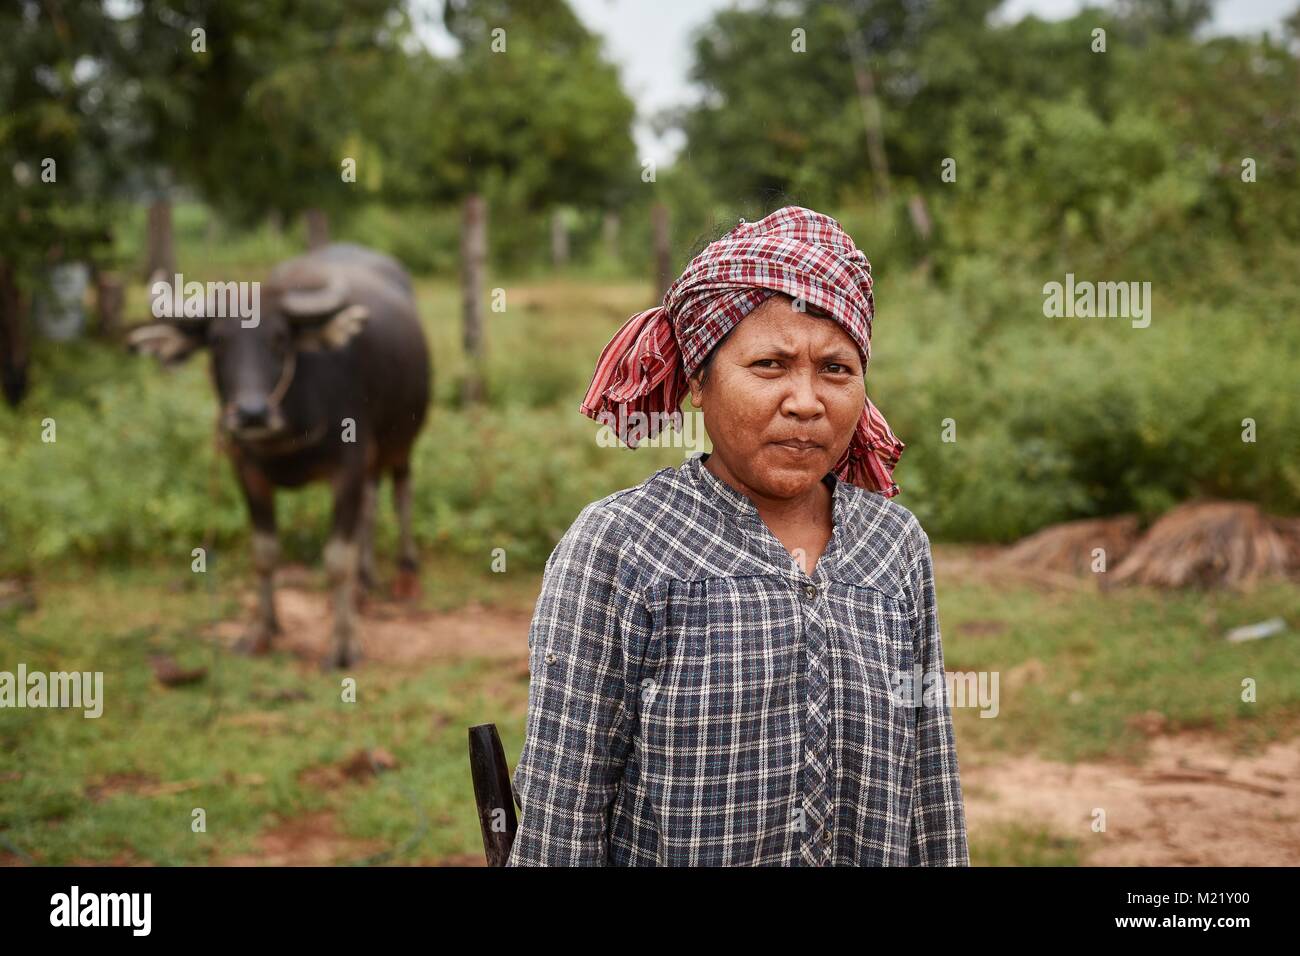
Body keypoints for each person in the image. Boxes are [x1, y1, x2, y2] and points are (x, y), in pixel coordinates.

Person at [505, 205, 968, 866]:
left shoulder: (894, 546)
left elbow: (930, 788)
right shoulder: (621, 546)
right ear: (699, 381)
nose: (806, 401)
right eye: (770, 365)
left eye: (835, 369)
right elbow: (563, 815)